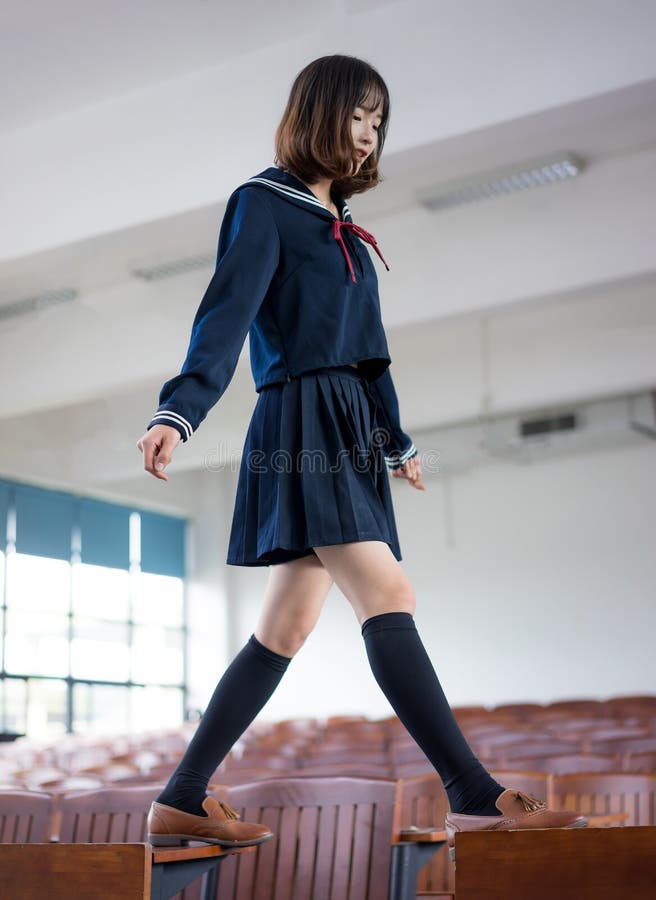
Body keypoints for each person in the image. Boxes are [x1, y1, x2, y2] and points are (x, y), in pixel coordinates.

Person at [136, 54, 587, 854]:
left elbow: (370, 357)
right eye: (357, 116)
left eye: (378, 122)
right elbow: (225, 316)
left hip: (347, 425)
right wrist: (181, 410)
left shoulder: (340, 223)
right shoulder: (263, 202)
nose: (369, 134)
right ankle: (474, 796)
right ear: (318, 113)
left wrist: (395, 439)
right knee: (388, 592)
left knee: (286, 626)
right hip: (302, 419)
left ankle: (180, 797)